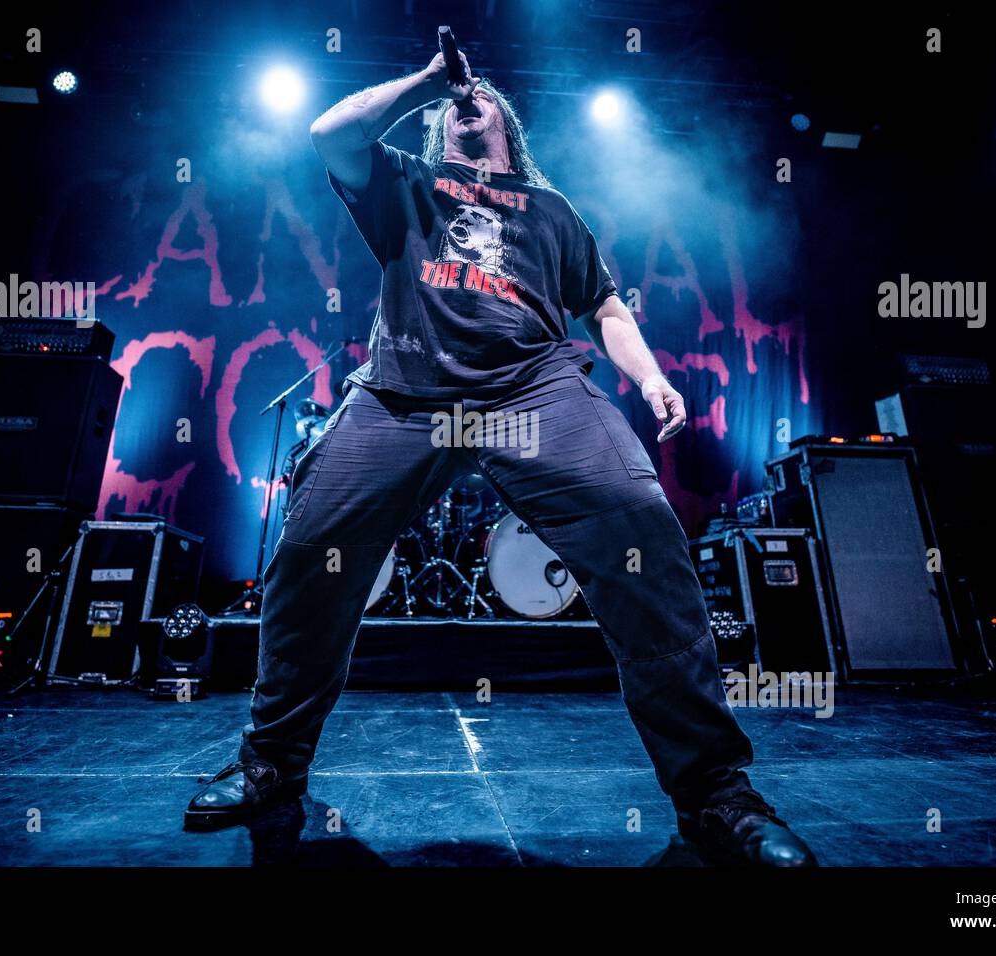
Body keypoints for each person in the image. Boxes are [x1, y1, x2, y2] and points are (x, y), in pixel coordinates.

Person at [186, 49, 816, 867]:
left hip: (532, 391)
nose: (462, 103)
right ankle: (273, 760)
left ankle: (714, 794)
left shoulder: (551, 211)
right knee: (310, 548)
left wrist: (653, 377)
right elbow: (329, 131)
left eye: (476, 98)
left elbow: (607, 307)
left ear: (507, 126)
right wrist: (426, 81)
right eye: (451, 104)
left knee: (643, 530)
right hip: (405, 393)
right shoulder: (407, 181)